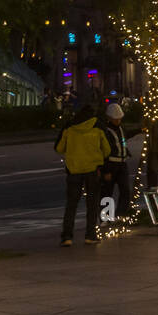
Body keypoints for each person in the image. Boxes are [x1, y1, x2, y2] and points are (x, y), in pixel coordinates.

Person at [55, 104, 110, 247]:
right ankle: (90, 235)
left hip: (74, 170)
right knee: (92, 204)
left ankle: (67, 237)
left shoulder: (69, 127)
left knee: (71, 204)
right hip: (92, 169)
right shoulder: (98, 126)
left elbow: (59, 147)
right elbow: (107, 149)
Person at [99, 103, 144, 219]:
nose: (118, 120)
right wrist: (105, 171)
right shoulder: (105, 131)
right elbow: (102, 152)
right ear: (109, 118)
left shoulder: (120, 128)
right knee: (107, 192)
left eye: (119, 118)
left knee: (125, 191)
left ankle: (120, 215)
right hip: (111, 164)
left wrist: (140, 130)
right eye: (115, 119)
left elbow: (126, 135)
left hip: (122, 164)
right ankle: (106, 218)